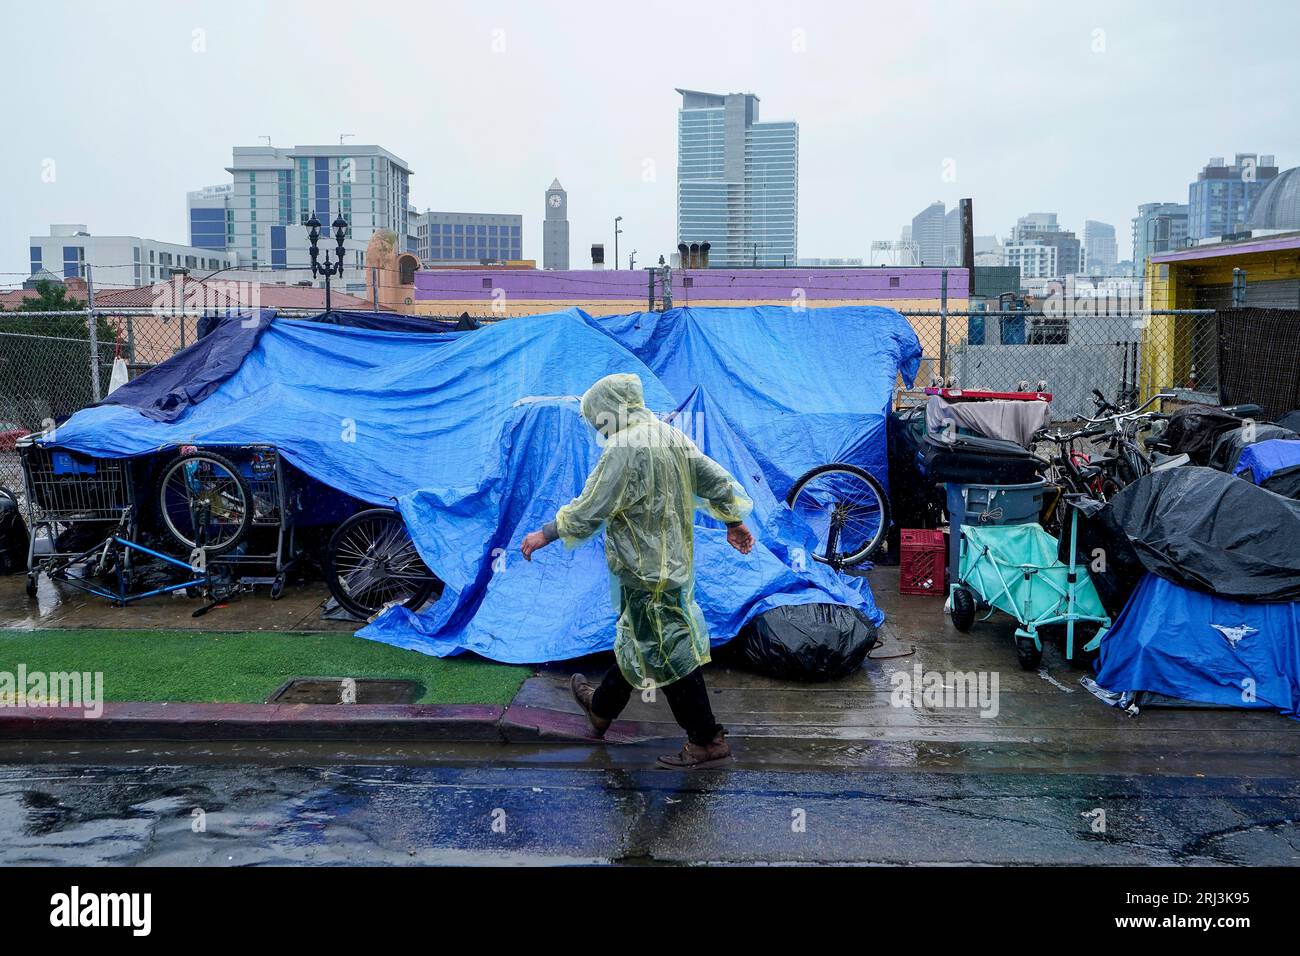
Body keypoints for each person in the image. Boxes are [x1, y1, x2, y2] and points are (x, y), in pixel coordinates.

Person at [521, 373, 755, 769]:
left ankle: (706, 739)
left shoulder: (623, 449)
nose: (597, 426)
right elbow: (715, 478)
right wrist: (733, 519)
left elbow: (592, 504)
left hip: (643, 571)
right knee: (642, 639)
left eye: (598, 418)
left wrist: (547, 533)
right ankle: (600, 708)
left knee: (669, 651)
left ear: (609, 410)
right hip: (673, 565)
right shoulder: (670, 436)